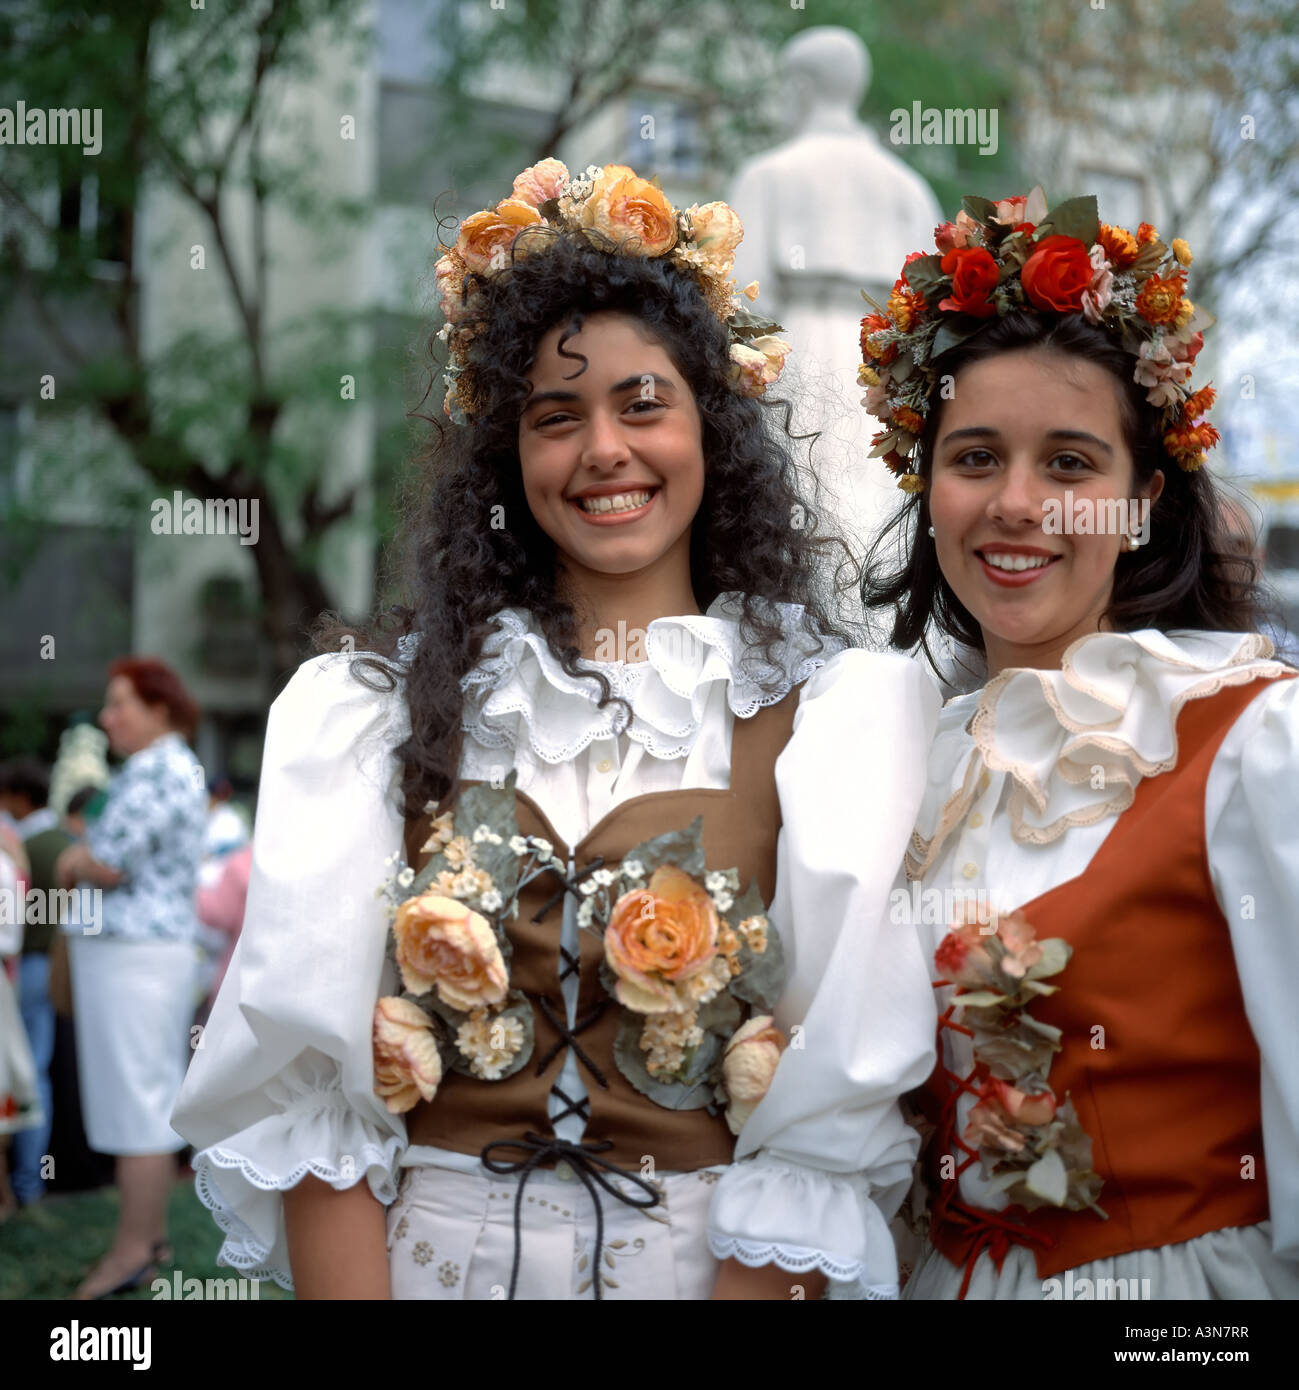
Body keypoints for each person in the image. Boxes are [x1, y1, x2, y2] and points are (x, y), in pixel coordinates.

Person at [172, 158, 938, 1301]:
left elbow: (826, 1120)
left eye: (643, 404)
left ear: (712, 429)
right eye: (555, 417)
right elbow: (315, 1100)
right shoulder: (375, 713)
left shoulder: (829, 720)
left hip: (699, 1270)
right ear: (508, 455)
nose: (603, 451)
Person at [843, 189, 1297, 1298]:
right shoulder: (897, 769)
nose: (1017, 503)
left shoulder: (1254, 739)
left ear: (1142, 500)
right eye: (977, 456)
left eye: (1071, 465)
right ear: (927, 484)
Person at [54, 657, 208, 1298]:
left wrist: (69, 861)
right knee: (138, 1103)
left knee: (137, 1109)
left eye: (122, 704)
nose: (108, 717)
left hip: (137, 956)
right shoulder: (160, 768)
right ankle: (147, 1240)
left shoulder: (163, 767)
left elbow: (108, 862)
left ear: (161, 709)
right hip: (137, 955)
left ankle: (133, 1252)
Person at [0, 757, 73, 1207]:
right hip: (49, 966)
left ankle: (23, 1182)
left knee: (18, 1077)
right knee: (34, 1074)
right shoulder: (62, 841)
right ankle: (31, 1181)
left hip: (23, 969)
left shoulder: (22, 846)